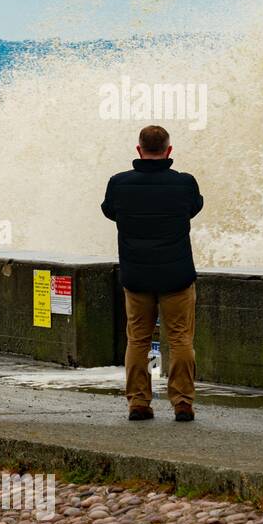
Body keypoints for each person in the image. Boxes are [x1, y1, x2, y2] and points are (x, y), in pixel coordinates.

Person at [101, 125, 204, 422]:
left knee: (138, 340)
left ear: (139, 150)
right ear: (169, 151)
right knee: (181, 339)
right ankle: (182, 402)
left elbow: (110, 211)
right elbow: (194, 208)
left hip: (137, 277)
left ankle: (138, 402)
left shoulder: (119, 184)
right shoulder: (184, 183)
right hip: (177, 276)